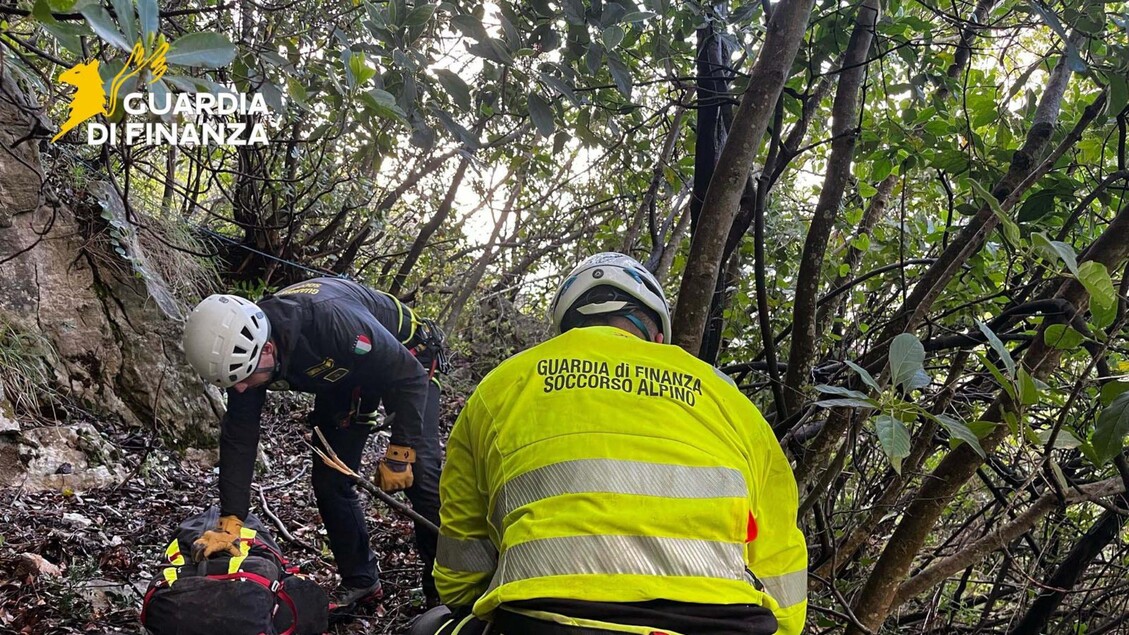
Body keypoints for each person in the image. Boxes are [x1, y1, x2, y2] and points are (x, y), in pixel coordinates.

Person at [414, 252, 807, 635]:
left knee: (430, 626)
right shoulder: (729, 400)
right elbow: (780, 562)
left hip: (545, 621)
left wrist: (473, 603)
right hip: (724, 624)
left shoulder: (501, 385)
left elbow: (462, 557)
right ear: (657, 339)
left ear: (567, 333)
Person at [181, 277, 448, 609]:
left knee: (421, 473)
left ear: (267, 348)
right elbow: (239, 436)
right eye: (233, 381)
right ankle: (362, 581)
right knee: (330, 479)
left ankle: (445, 590)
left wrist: (400, 452)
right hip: (344, 373)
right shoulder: (243, 358)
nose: (241, 389)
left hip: (406, 357)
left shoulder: (330, 321)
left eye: (246, 377)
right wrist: (231, 521)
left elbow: (409, 376)